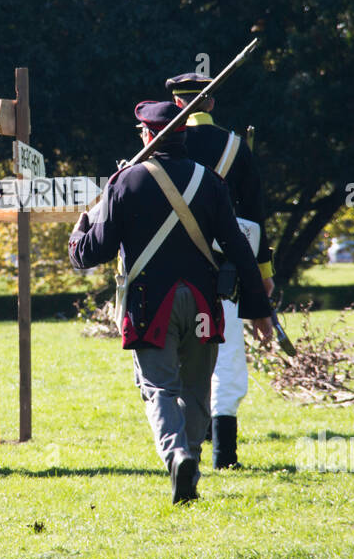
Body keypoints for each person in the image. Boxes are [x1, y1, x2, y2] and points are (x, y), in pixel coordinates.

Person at [68, 100, 273, 503]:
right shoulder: (210, 181)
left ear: (147, 135)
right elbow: (239, 249)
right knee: (197, 390)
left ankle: (176, 454)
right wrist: (259, 311)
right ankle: (191, 464)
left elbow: (93, 252)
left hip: (149, 304)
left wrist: (78, 236)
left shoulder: (125, 182)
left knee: (158, 388)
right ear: (182, 136)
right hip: (202, 302)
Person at [165, 73, 276, 469]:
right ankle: (222, 455)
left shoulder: (160, 147)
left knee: (174, 360)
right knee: (225, 355)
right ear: (210, 104)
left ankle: (178, 448)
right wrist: (262, 272)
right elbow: (254, 215)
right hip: (224, 269)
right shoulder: (236, 148)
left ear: (178, 104)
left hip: (167, 269)